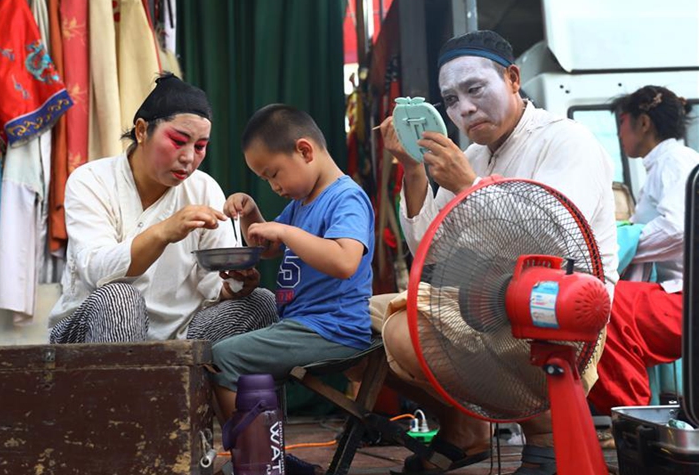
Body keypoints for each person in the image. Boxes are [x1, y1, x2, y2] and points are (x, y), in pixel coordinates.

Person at [375, 30, 618, 474]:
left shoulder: (566, 140)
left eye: (474, 90)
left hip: (559, 319)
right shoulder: (477, 155)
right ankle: (466, 432)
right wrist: (412, 168)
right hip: (493, 309)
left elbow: (557, 240)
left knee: (403, 333)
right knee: (364, 320)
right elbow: (428, 245)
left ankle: (545, 433)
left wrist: (468, 185)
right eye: (450, 100)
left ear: (511, 78)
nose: (463, 109)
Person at [48, 73, 278, 345]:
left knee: (262, 302)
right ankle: (132, 387)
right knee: (120, 299)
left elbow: (213, 287)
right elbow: (96, 270)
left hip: (180, 335)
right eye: (178, 141)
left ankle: (213, 386)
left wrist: (234, 287)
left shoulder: (204, 188)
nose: (189, 157)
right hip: (89, 332)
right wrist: (165, 231)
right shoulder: (91, 180)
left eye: (200, 146)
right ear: (142, 130)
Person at [211, 103, 375, 421]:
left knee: (223, 357)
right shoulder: (303, 203)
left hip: (332, 330)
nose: (274, 186)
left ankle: (254, 459)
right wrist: (252, 212)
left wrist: (285, 231)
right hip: (302, 325)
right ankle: (269, 456)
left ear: (304, 151)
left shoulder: (346, 198)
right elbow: (270, 247)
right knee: (227, 345)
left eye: (273, 174)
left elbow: (345, 261)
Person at [588, 86, 699, 415]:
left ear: (643, 123)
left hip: (685, 297)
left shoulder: (676, 161)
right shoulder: (663, 167)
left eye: (622, 122)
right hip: (676, 294)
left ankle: (631, 414)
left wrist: (618, 243)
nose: (619, 132)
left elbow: (680, 229)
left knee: (603, 304)